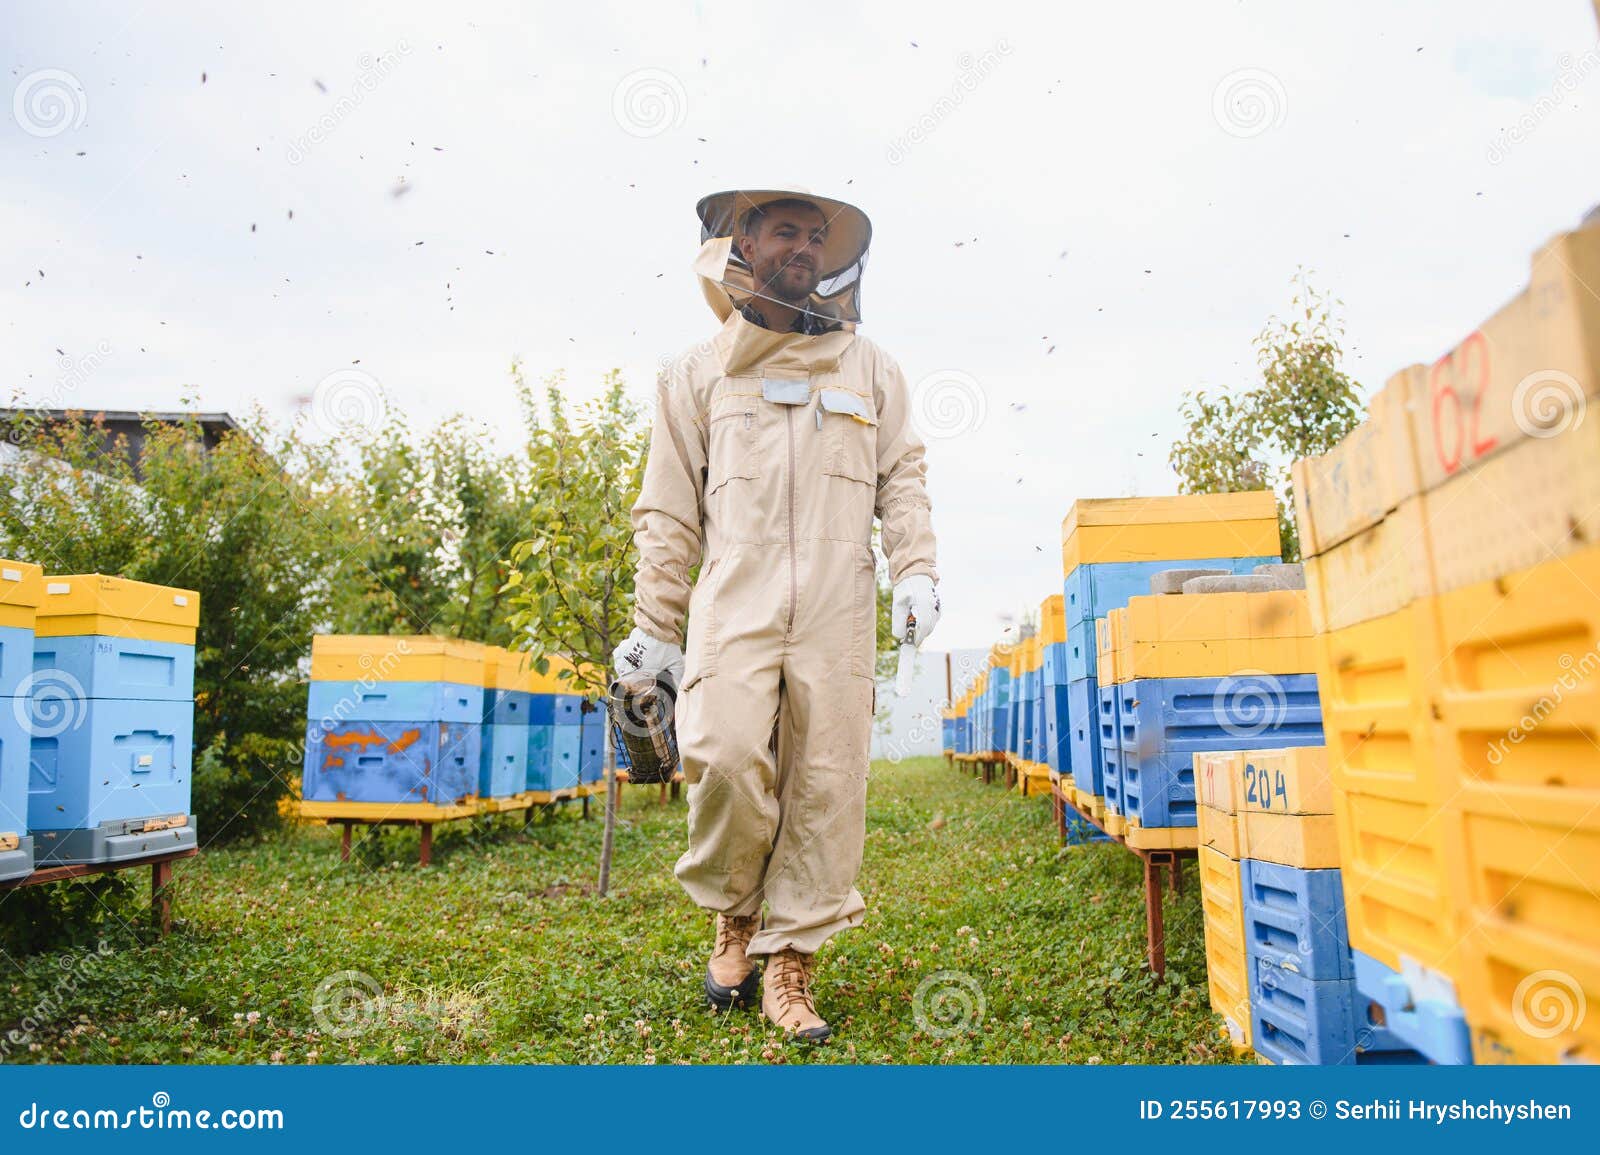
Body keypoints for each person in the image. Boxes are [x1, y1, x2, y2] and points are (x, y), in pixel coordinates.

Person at [615, 186, 940, 1043]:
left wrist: (915, 570)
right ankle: (735, 913)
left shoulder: (870, 368)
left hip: (838, 606)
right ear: (743, 245)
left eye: (815, 237)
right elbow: (668, 509)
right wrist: (655, 624)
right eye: (785, 232)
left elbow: (902, 474)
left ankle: (790, 962)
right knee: (719, 756)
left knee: (825, 782)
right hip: (735, 601)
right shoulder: (695, 372)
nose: (803, 247)